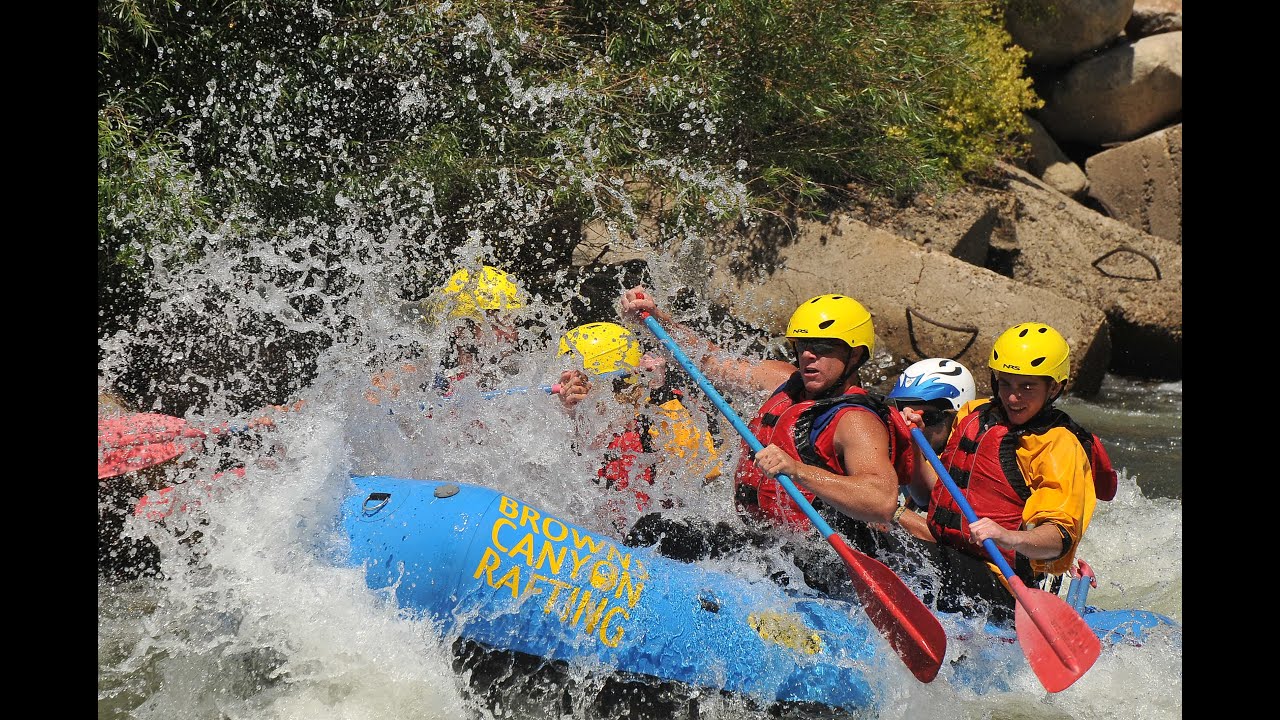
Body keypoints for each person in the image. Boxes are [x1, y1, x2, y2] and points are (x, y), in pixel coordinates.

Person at [616, 288, 908, 593]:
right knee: (656, 528)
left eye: (823, 346)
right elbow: (711, 361)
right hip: (764, 544)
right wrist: (656, 319)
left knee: (658, 534)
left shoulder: (856, 421)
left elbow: (881, 501)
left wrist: (797, 470)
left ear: (855, 354)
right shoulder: (782, 379)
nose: (809, 354)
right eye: (803, 345)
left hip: (816, 562)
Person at [875, 322, 1118, 622]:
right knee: (863, 527)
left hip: (1001, 584)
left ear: (1054, 387)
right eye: (1006, 384)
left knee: (890, 550)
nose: (1013, 398)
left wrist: (1007, 537)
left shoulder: (1058, 445)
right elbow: (929, 497)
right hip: (947, 552)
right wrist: (916, 441)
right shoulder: (973, 414)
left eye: (1027, 386)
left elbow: (1058, 538)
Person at [554, 321, 722, 535]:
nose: (567, 386)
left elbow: (704, 470)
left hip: (652, 539)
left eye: (577, 380)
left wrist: (661, 393)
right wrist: (571, 413)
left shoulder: (656, 414)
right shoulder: (582, 418)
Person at [365, 264, 529, 407]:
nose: (509, 334)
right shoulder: (430, 374)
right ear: (461, 329)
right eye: (495, 324)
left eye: (511, 323)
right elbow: (371, 394)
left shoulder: (528, 375)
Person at [881, 358, 977, 539]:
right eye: (904, 415)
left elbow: (946, 537)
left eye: (929, 417)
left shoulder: (971, 464)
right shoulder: (887, 446)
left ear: (958, 418)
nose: (914, 425)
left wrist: (881, 509)